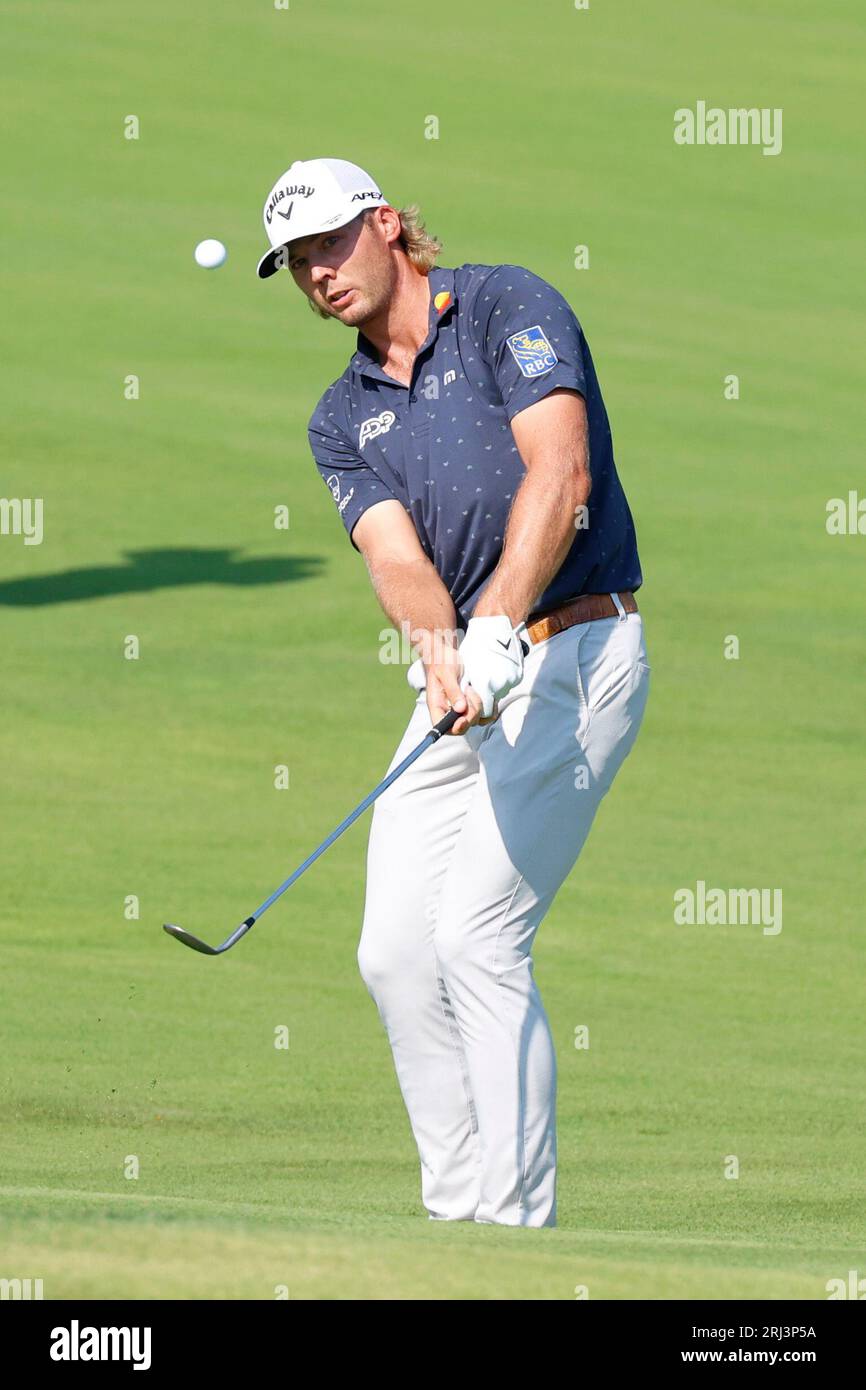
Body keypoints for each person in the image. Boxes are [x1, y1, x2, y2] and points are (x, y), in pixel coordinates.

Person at [257, 157, 650, 1227]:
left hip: (575, 653)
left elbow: (557, 475)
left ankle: (515, 1228)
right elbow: (394, 558)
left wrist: (496, 624)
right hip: (468, 673)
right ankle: (455, 1218)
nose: (317, 275)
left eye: (330, 244)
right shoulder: (340, 415)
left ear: (385, 225)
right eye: (297, 263)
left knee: (478, 934)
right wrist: (446, 654)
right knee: (390, 950)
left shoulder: (503, 306)